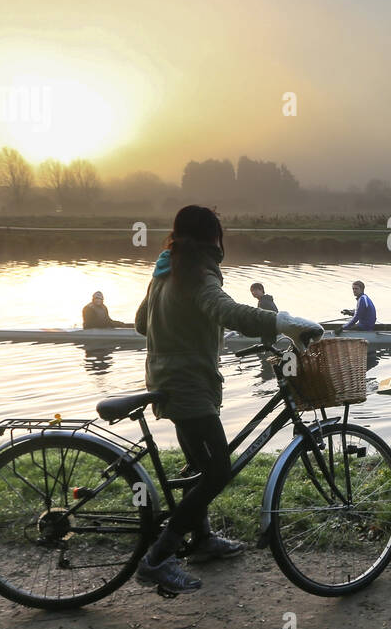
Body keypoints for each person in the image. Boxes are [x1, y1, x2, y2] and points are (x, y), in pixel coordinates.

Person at [132, 205, 323, 594]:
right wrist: (280, 321)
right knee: (218, 471)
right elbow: (225, 310)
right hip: (187, 384)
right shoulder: (196, 272)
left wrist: (179, 322)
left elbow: (140, 324)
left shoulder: (165, 269)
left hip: (168, 376)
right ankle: (158, 558)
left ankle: (201, 542)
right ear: (212, 238)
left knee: (199, 466)